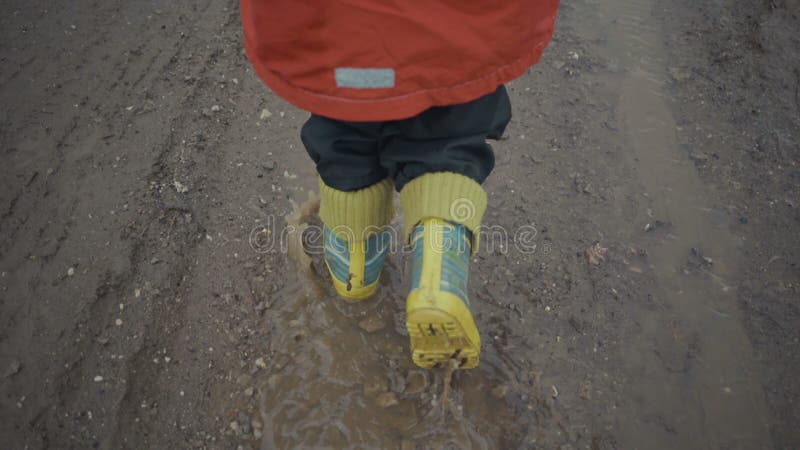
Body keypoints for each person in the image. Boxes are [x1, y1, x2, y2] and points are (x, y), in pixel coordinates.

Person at [241, 1, 560, 370]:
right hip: (456, 33)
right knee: (449, 132)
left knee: (347, 117)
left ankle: (353, 269)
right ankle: (441, 274)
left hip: (341, 29)